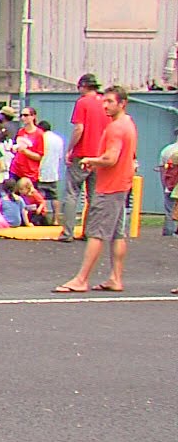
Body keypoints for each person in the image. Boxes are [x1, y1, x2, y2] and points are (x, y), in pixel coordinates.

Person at [54, 86, 138, 293]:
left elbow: (111, 158)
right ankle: (115, 278)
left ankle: (81, 279)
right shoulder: (128, 124)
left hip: (109, 188)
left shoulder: (116, 127)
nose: (105, 105)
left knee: (96, 233)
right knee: (118, 234)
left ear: (122, 103)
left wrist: (91, 160)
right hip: (121, 186)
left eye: (110, 101)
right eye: (105, 101)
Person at [61, 74, 107, 241]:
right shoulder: (105, 103)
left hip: (82, 154)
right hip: (100, 155)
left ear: (83, 86)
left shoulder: (82, 103)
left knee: (72, 193)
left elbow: (79, 128)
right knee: (94, 195)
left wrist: (70, 149)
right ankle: (90, 231)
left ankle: (67, 232)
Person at [36, 120, 64, 222]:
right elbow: (60, 157)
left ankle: (42, 218)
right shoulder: (58, 139)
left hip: (40, 171)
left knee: (40, 197)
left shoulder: (40, 138)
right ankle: (56, 219)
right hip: (53, 172)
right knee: (54, 197)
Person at [9, 106, 45, 183]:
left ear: (33, 116)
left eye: (26, 115)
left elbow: (39, 156)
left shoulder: (39, 134)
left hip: (30, 173)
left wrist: (25, 151)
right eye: (21, 115)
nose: (23, 118)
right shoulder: (20, 131)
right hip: (16, 169)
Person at [158, 128, 178, 237]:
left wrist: (165, 184)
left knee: (169, 208)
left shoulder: (167, 150)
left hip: (170, 183)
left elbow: (162, 169)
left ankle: (168, 231)